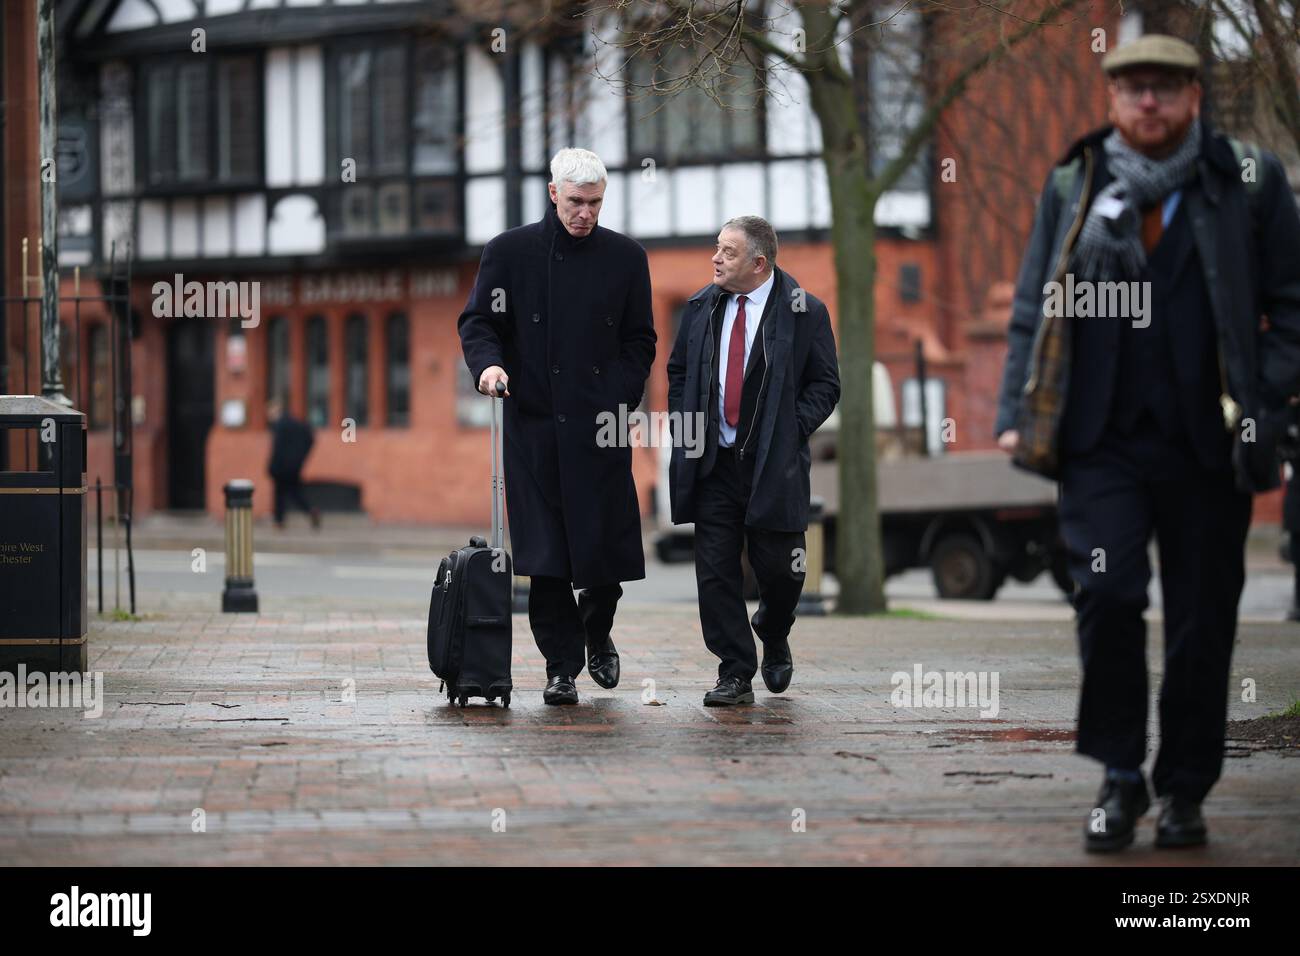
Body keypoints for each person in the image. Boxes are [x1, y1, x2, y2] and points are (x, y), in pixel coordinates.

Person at [994, 34, 1300, 851]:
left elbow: (1290, 304)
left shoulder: (1246, 179)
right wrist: (1014, 406)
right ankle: (1119, 776)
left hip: (1210, 441)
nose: (1149, 103)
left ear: (1195, 95)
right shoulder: (1076, 177)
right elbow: (1033, 298)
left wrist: (1266, 403)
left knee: (1203, 619)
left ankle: (1187, 787)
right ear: (1112, 98)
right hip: (1100, 439)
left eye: (1165, 88)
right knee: (1108, 595)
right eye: (1133, 89)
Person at [457, 147, 656, 706]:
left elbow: (640, 340)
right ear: (552, 194)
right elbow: (479, 321)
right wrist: (489, 364)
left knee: (603, 555)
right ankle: (560, 667)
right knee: (545, 559)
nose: (584, 213)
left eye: (594, 203)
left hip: (599, 427)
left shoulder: (625, 258)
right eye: (575, 202)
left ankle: (597, 629)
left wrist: (617, 392)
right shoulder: (510, 252)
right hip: (535, 427)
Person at [666, 216, 840, 706]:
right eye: (716, 248)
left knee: (784, 572)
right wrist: (686, 423)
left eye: (727, 252)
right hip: (714, 463)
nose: (715, 259)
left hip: (772, 465)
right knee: (716, 571)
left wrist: (790, 430)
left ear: (759, 263)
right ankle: (735, 671)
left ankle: (774, 629)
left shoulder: (805, 311)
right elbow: (678, 372)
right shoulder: (700, 307)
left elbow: (826, 385)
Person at [266, 399, 320, 530]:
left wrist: (272, 466)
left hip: (281, 467)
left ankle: (279, 521)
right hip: (294, 466)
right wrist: (300, 458)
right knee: (295, 493)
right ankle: (310, 511)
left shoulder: (279, 426)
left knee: (280, 494)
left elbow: (277, 449)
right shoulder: (296, 423)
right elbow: (310, 438)